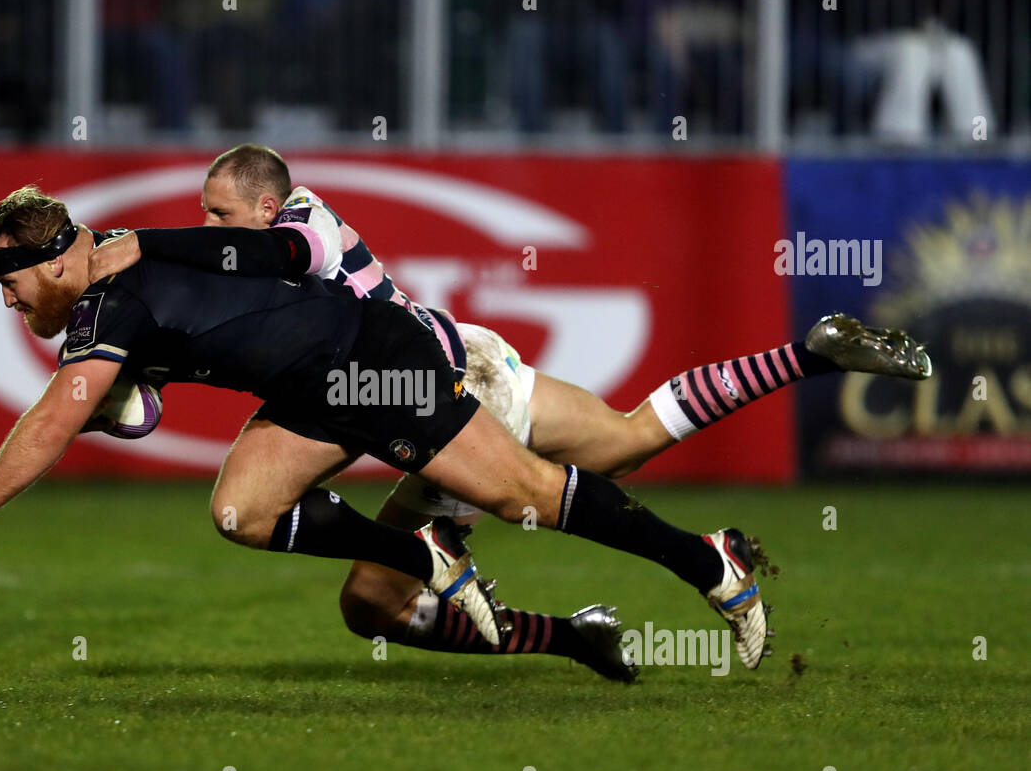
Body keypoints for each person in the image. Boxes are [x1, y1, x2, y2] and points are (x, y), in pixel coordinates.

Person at [0, 183, 797, 683]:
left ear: (55, 263)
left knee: (526, 493)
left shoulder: (106, 295)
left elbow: (58, 412)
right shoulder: (113, 271)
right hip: (308, 386)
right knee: (241, 511)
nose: (8, 302)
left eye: (11, 284)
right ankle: (427, 557)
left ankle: (710, 564)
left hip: (373, 357)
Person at [82, 145, 933, 676]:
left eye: (218, 212)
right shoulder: (257, 253)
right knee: (629, 438)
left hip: (416, 386)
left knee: (376, 595)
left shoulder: (303, 226)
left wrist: (150, 246)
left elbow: (282, 257)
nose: (208, 225)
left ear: (265, 207)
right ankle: (808, 355)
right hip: (455, 352)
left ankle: (669, 581)